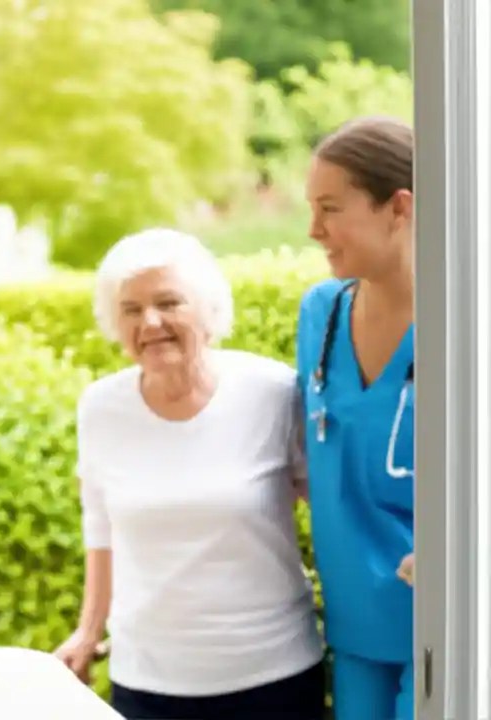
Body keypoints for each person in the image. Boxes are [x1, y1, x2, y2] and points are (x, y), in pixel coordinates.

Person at [54, 228, 326, 720]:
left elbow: (329, 508)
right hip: (148, 680)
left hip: (273, 673)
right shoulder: (100, 407)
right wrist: (88, 630)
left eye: (169, 302)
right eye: (131, 309)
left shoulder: (271, 391)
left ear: (209, 311)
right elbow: (99, 522)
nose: (150, 322)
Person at [295, 116, 415, 720]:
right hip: (353, 626)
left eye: (330, 208)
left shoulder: (467, 326)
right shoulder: (321, 314)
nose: (314, 229)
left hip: (440, 624)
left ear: (398, 207)